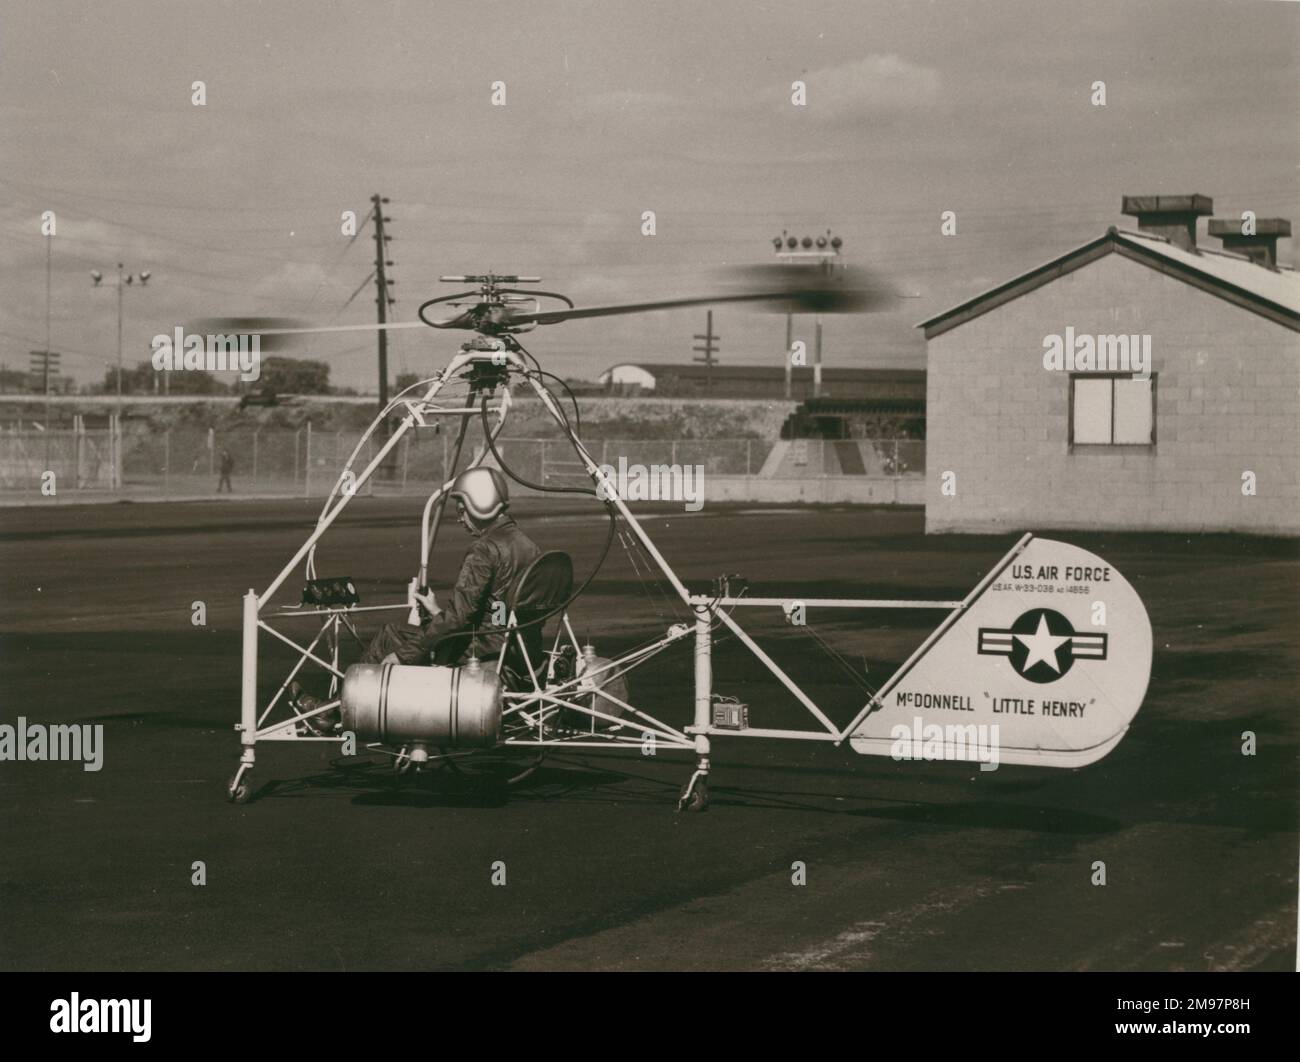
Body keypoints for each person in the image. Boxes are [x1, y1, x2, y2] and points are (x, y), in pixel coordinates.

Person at [292, 467, 540, 735]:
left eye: (461, 508)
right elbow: (498, 608)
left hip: (484, 651)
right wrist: (436, 613)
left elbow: (460, 618)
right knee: (416, 633)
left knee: (391, 635)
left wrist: (404, 654)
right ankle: (336, 709)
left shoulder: (484, 549)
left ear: (479, 504)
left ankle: (330, 713)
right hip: (516, 649)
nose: (459, 518)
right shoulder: (527, 545)